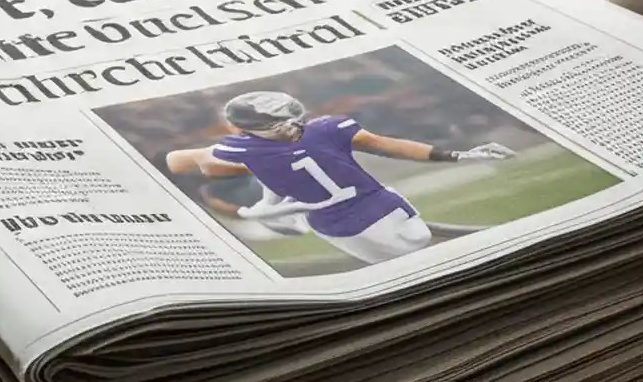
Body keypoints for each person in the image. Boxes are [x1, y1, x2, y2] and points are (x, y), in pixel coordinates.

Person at [166, 91, 514, 264]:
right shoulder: (328, 127)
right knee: (440, 253)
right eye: (280, 121)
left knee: (422, 265)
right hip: (386, 206)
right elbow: (388, 146)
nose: (290, 125)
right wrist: (457, 155)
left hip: (342, 226)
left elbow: (188, 163)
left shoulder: (240, 149)